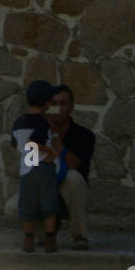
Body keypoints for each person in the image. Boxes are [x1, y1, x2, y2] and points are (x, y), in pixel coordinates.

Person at [11, 80, 60, 253]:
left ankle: (28, 239)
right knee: (48, 204)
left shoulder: (19, 122)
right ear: (46, 102)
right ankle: (49, 239)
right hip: (43, 166)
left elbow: (18, 145)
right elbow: (33, 143)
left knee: (27, 205)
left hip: (27, 167)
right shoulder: (42, 122)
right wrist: (51, 152)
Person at [48, 84, 96, 249]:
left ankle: (79, 236)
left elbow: (73, 164)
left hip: (72, 196)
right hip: (46, 191)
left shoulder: (84, 135)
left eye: (63, 103)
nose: (58, 108)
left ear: (71, 107)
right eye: (54, 103)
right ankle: (46, 233)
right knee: (12, 207)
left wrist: (55, 138)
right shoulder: (39, 133)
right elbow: (31, 165)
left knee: (72, 177)